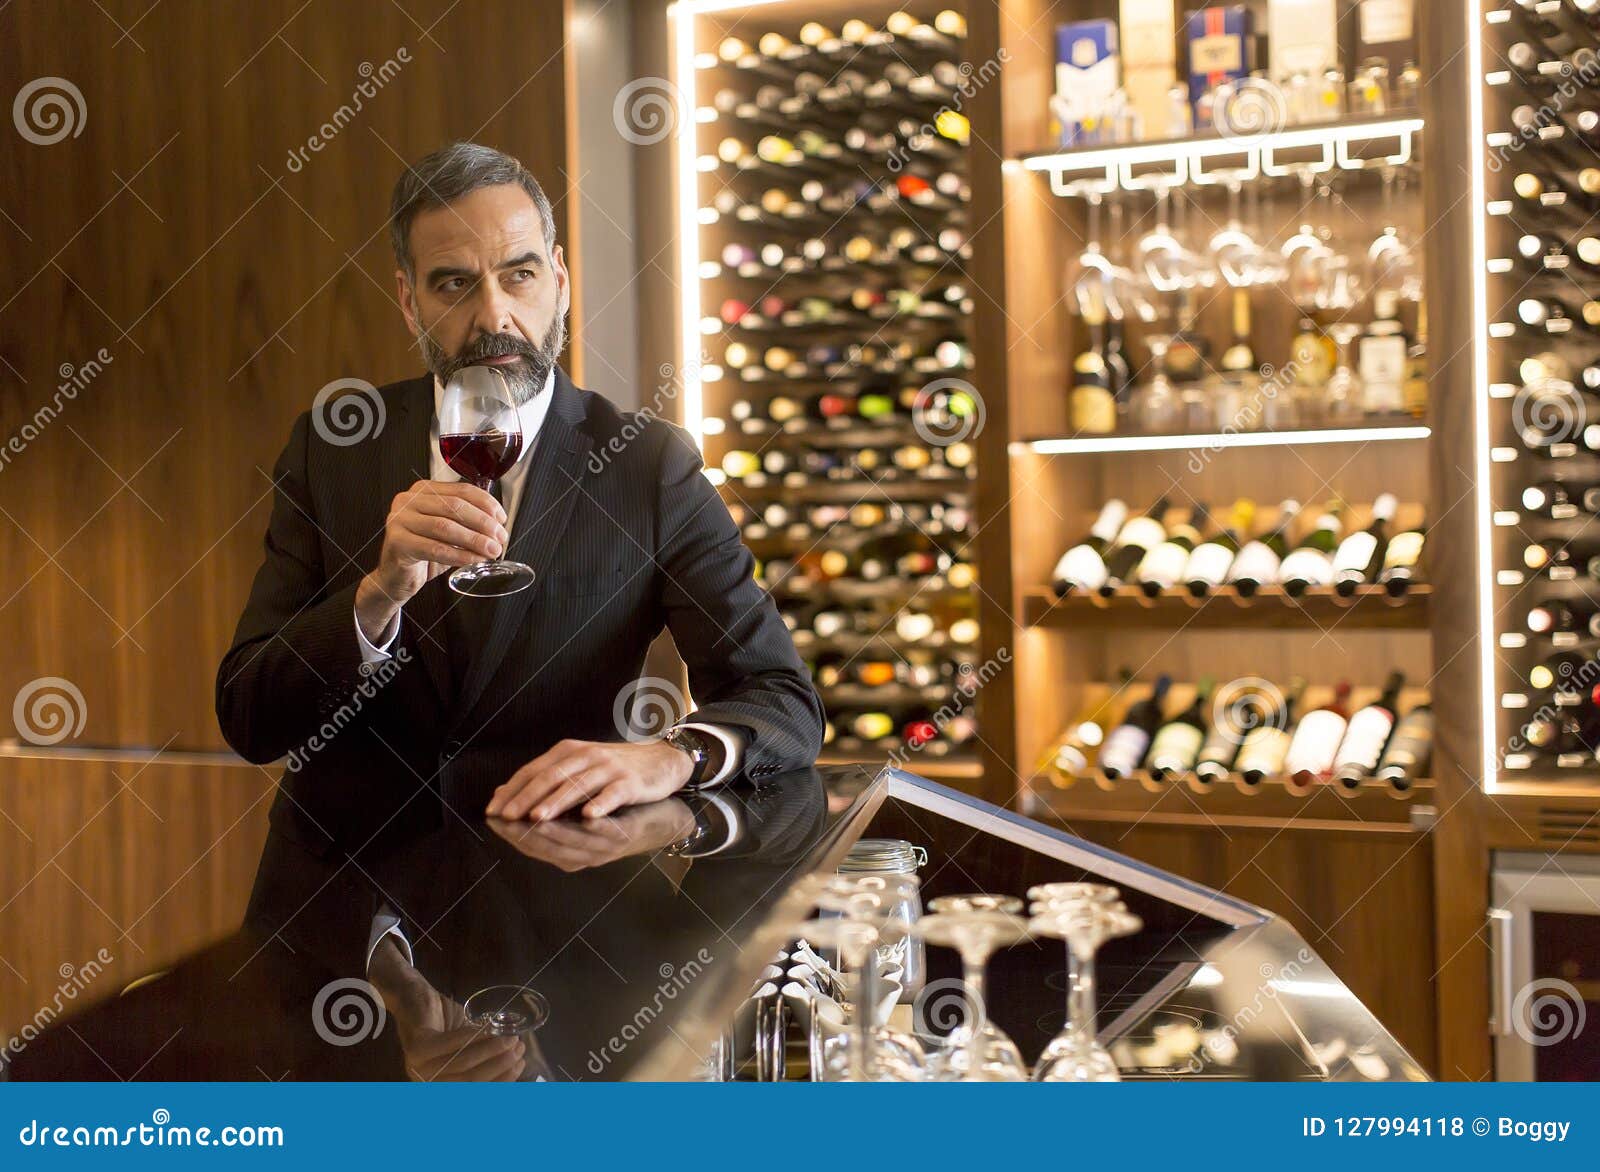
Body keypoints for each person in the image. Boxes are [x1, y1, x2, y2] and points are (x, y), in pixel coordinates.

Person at [216, 142, 823, 895]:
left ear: (560, 281)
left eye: (520, 274)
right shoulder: (331, 448)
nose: (493, 315)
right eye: (454, 284)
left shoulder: (649, 467)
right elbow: (250, 719)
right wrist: (377, 596)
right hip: (339, 920)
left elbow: (781, 697)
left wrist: (670, 757)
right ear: (410, 300)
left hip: (560, 918)